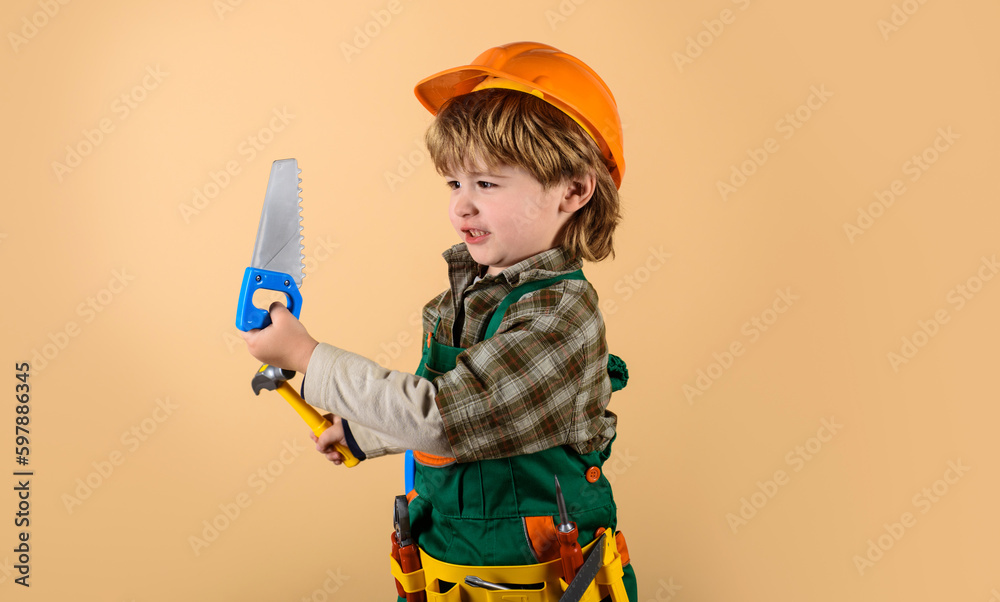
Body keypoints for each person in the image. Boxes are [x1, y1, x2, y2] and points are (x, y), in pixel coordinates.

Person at [242, 41, 636, 601]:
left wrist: (307, 357)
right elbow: (463, 407)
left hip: (540, 582)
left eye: (487, 183)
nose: (461, 206)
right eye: (455, 183)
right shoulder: (463, 296)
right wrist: (362, 432)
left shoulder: (559, 316)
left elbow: (442, 419)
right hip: (454, 571)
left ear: (573, 190)